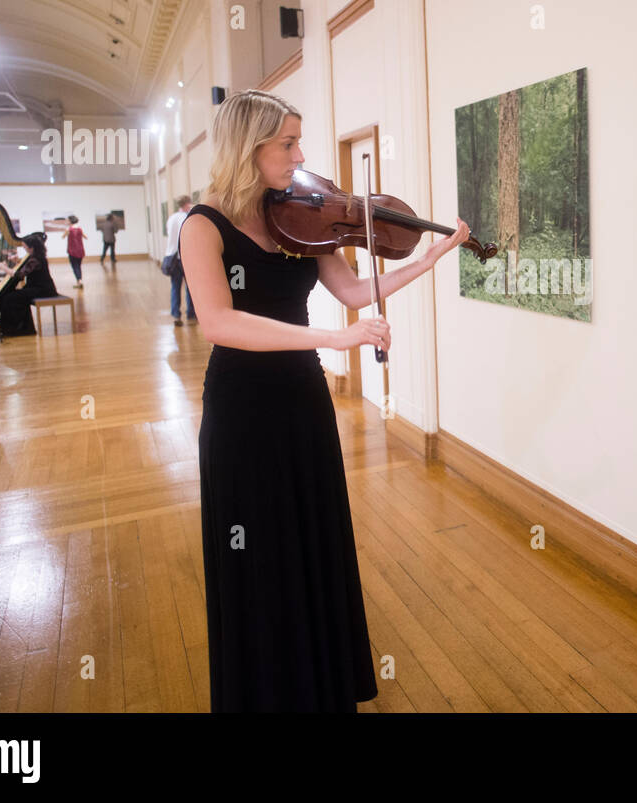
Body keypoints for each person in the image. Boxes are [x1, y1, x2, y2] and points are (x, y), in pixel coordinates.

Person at [178, 88, 468, 711]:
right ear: (247, 146)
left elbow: (359, 292)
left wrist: (433, 255)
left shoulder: (300, 216)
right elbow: (221, 324)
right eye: (286, 143)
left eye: (297, 140)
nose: (299, 153)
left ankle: (320, 683)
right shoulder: (203, 226)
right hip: (243, 412)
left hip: (303, 403)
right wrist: (333, 338)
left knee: (310, 538)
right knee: (255, 549)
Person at [0, 232, 59, 337]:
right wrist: (16, 262)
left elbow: (19, 275)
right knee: (11, 296)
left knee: (10, 298)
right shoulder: (35, 256)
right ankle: (23, 328)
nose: (24, 249)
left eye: (25, 247)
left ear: (32, 247)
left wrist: (3, 268)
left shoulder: (36, 259)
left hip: (43, 290)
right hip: (36, 288)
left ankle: (15, 330)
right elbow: (24, 270)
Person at [163, 195, 197, 325]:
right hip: (186, 257)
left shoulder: (171, 218)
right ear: (187, 204)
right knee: (191, 287)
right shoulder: (187, 217)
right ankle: (191, 313)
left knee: (175, 287)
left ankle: (176, 314)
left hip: (172, 258)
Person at [62, 215, 85, 288]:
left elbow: (63, 237)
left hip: (72, 251)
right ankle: (79, 281)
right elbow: (85, 237)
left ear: (70, 221)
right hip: (80, 250)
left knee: (75, 266)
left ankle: (79, 281)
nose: (67, 221)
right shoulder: (80, 229)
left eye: (68, 220)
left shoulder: (69, 229)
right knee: (78, 266)